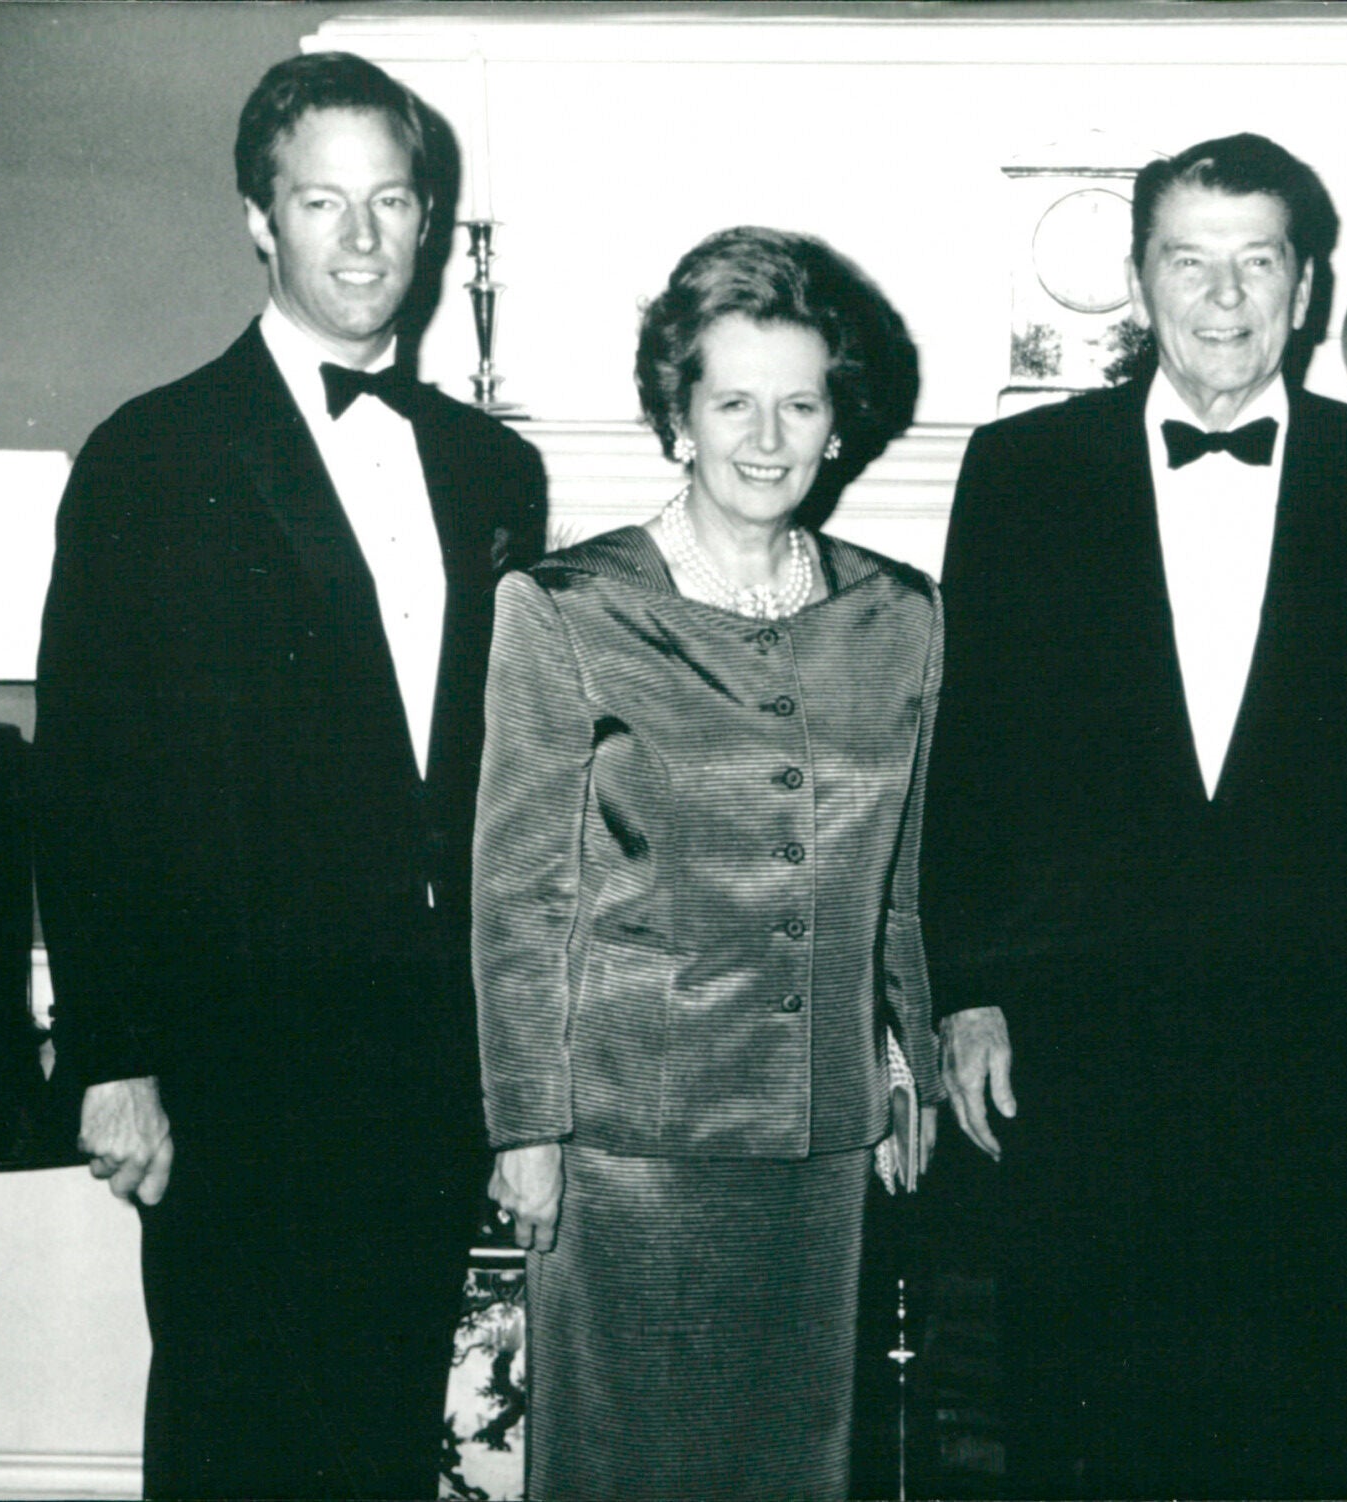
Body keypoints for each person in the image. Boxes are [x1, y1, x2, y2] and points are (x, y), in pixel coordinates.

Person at [922, 132, 1347, 1498]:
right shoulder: (1020, 471)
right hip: (1082, 1043)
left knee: (1317, 1425)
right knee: (1082, 1427)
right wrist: (970, 992)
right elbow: (971, 743)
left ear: (1305, 286)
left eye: (1257, 263)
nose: (1224, 298)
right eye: (1191, 260)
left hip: (1321, 1054)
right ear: (1140, 279)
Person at [32, 53, 546, 1498]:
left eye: (392, 200)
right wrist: (116, 1056)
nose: (364, 238)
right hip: (231, 1063)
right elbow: (87, 773)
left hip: (428, 1059)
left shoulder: (491, 474)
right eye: (325, 201)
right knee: (234, 1438)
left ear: (432, 218)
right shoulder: (151, 453)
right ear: (261, 217)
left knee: (380, 1435)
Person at [475, 225, 942, 1501]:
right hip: (628, 1137)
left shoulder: (899, 614)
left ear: (837, 422)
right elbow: (519, 894)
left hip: (823, 1136)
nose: (767, 433)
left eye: (799, 401)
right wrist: (526, 1123)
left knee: (796, 1465)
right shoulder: (567, 607)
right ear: (676, 416)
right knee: (626, 1466)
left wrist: (908, 1060)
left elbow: (899, 867)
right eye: (731, 399)